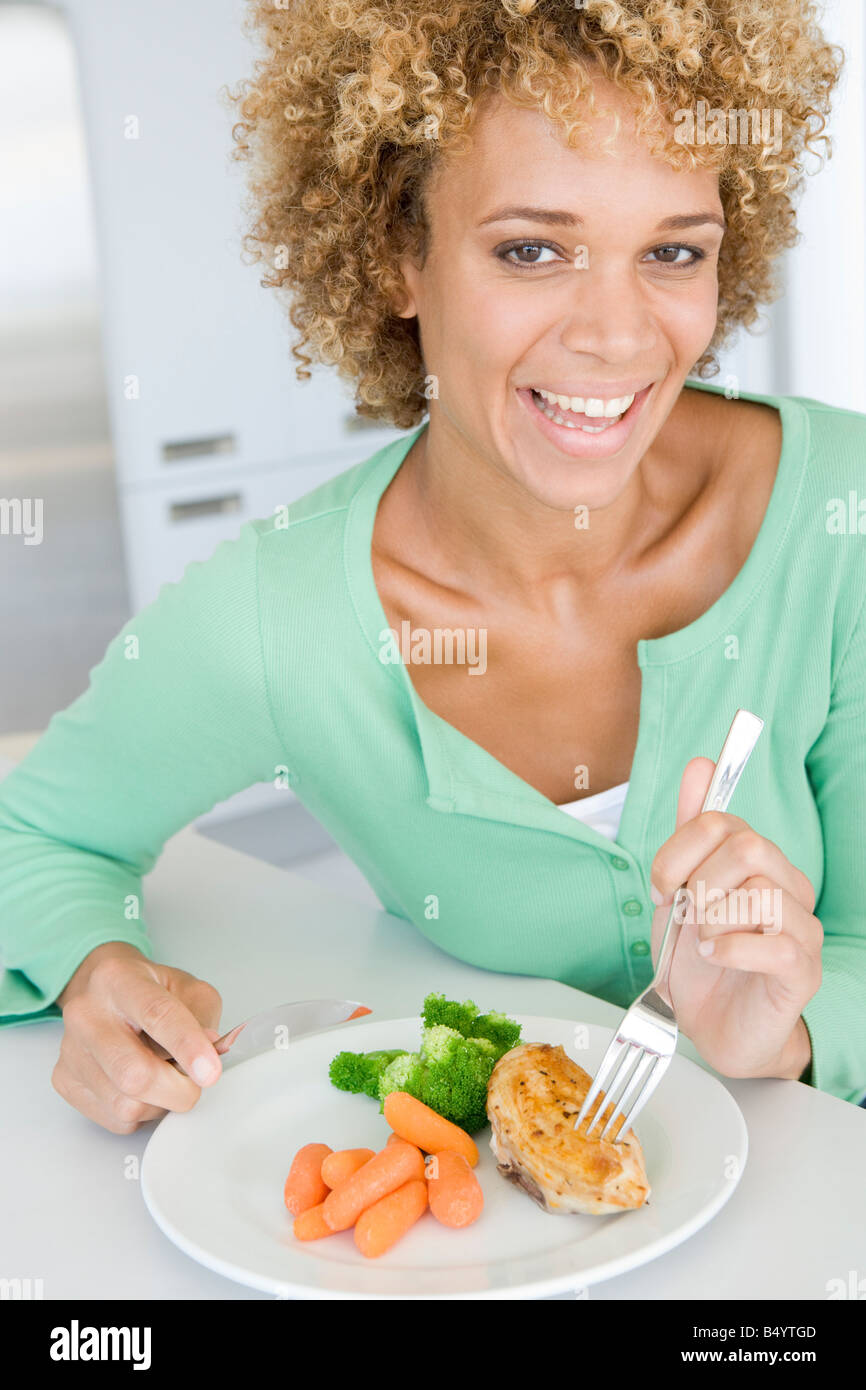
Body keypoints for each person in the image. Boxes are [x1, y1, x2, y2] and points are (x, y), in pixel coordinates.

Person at [1, 0, 862, 1136]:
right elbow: (37, 835)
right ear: (395, 257)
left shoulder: (834, 521)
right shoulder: (282, 619)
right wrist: (95, 972)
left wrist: (787, 1036)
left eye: (670, 252)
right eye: (530, 249)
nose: (614, 335)